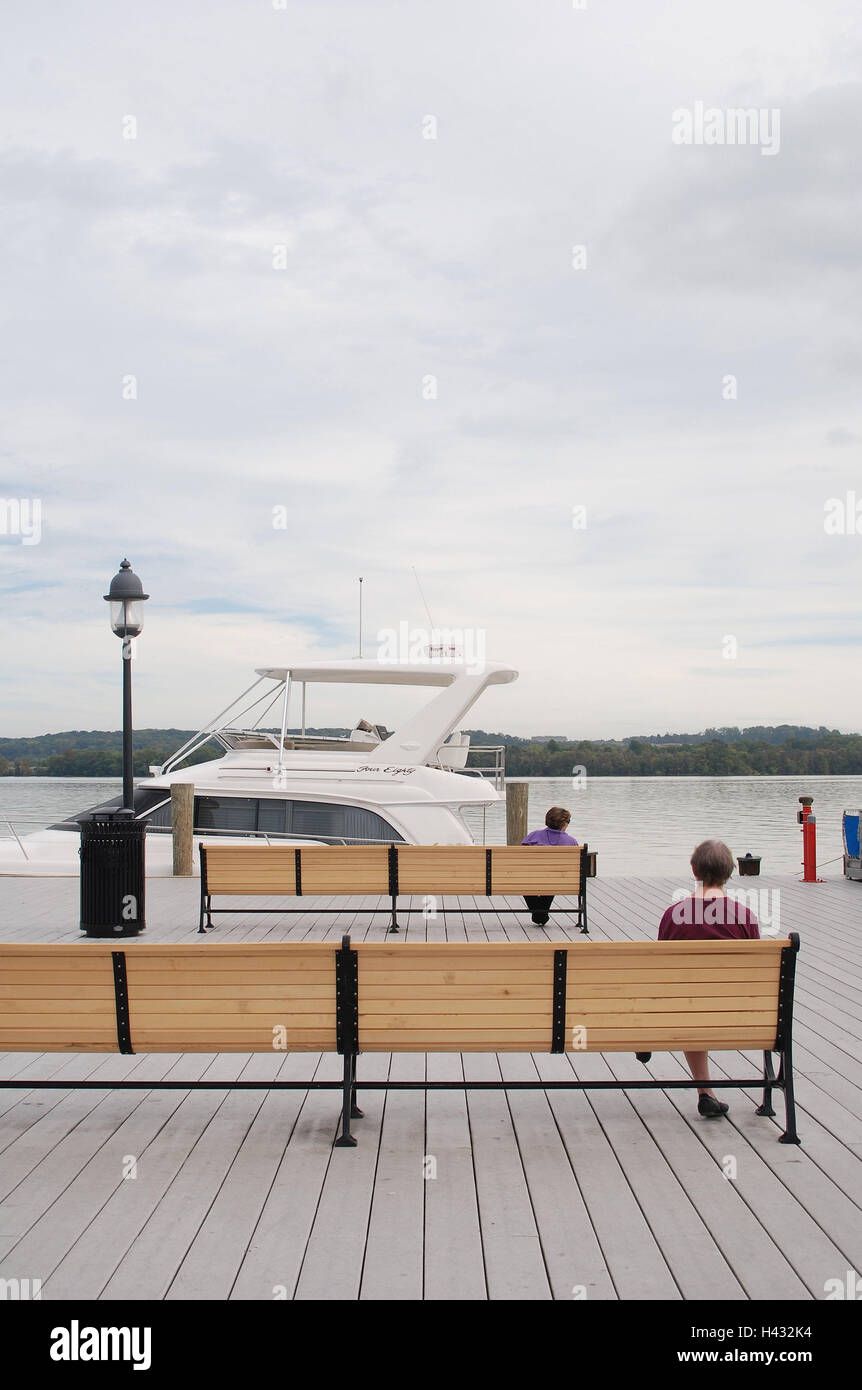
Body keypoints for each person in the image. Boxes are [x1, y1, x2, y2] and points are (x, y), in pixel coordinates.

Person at [636, 839, 759, 1118]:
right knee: (700, 1000)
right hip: (739, 1012)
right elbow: (752, 972)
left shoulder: (674, 915)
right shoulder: (744, 916)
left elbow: (661, 970)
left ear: (694, 871)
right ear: (730, 872)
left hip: (685, 1009)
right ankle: (711, 1093)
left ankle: (703, 1089)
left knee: (689, 1000)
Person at [521, 806, 578, 925]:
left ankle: (539, 914)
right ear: (564, 824)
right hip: (558, 880)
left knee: (526, 881)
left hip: (531, 879)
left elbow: (521, 858)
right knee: (552, 879)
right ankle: (540, 915)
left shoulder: (533, 836)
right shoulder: (571, 842)